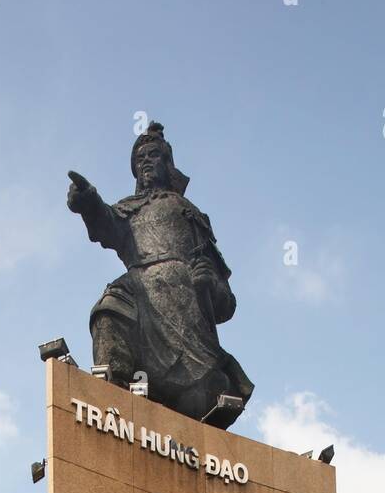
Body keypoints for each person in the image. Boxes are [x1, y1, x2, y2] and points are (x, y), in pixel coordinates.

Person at [68, 122, 253, 425]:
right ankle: (113, 399)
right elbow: (106, 223)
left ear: (167, 163)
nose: (145, 163)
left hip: (184, 308)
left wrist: (210, 284)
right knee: (108, 312)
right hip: (137, 289)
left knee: (203, 392)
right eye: (139, 160)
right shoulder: (129, 208)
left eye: (153, 156)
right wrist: (87, 200)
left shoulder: (188, 211)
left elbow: (226, 302)